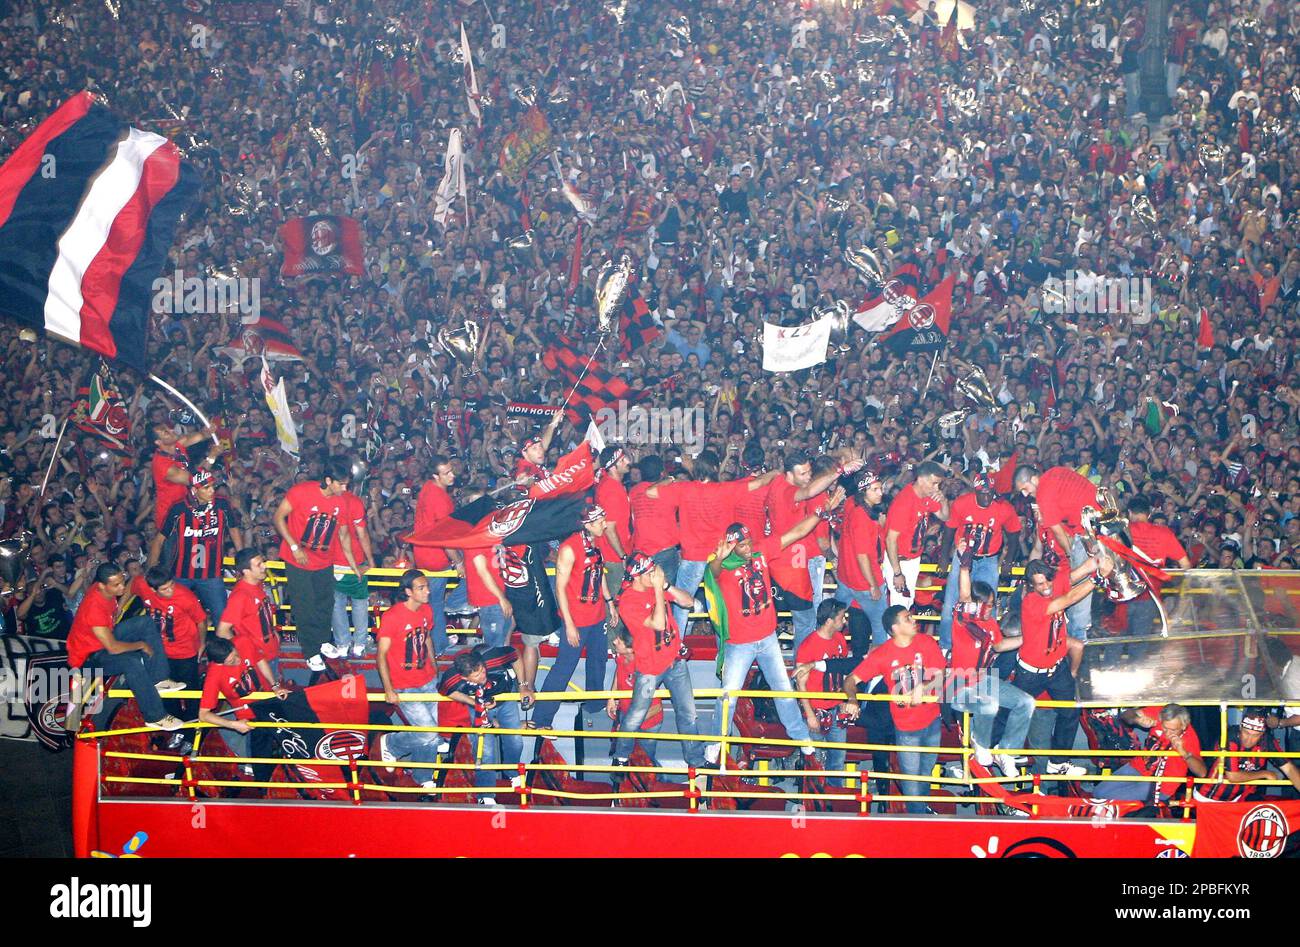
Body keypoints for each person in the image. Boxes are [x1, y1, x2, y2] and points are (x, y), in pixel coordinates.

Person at [708, 488, 845, 766]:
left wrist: (821, 511)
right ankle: (715, 745)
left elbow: (795, 533)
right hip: (740, 643)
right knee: (728, 697)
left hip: (767, 638)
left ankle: (803, 742)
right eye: (742, 545)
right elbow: (712, 573)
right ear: (732, 547)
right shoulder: (724, 567)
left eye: (748, 542)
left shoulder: (759, 553)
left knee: (784, 692)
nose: (747, 548)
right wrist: (721, 557)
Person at [653, 450, 777, 638]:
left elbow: (651, 492)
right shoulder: (726, 490)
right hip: (719, 558)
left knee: (680, 606)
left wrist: (671, 479)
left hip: (692, 558)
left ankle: (675, 647)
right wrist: (775, 472)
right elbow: (759, 482)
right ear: (715, 468)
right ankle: (724, 649)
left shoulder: (683, 489)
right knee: (722, 608)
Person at [1013, 555, 1115, 778]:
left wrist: (1096, 560)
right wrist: (1098, 578)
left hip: (1056, 667)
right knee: (1012, 710)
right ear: (1031, 586)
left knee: (1070, 711)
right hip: (1032, 672)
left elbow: (1070, 576)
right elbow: (1069, 598)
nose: (1047, 586)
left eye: (1048, 581)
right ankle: (995, 749)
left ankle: (1058, 761)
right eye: (1040, 584)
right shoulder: (1031, 602)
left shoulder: (1049, 585)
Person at [841, 606, 946, 814]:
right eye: (908, 618)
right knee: (911, 781)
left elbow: (942, 674)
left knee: (924, 776)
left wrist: (923, 687)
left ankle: (921, 812)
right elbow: (851, 680)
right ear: (895, 628)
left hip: (933, 721)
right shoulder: (883, 654)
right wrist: (852, 699)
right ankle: (919, 822)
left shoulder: (926, 642)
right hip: (907, 729)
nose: (914, 619)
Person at [946, 540, 1035, 780]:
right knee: (990, 706)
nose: (993, 607)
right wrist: (964, 564)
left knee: (1026, 702)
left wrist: (1029, 639)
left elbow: (999, 645)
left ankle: (1006, 751)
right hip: (958, 685)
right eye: (990, 603)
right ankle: (979, 741)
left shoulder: (991, 623)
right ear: (978, 604)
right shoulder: (962, 618)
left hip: (984, 681)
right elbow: (965, 593)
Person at [612, 552, 709, 771]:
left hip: (674, 659)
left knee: (688, 713)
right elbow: (658, 623)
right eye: (650, 573)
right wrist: (657, 590)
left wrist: (665, 586)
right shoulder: (628, 601)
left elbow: (687, 602)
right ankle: (620, 757)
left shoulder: (657, 585)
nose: (655, 574)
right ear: (637, 576)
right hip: (650, 667)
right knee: (635, 715)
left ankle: (696, 760)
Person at [66, 563, 185, 731]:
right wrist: (141, 645)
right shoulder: (94, 608)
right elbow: (113, 648)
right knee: (131, 662)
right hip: (90, 657)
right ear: (102, 586)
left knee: (145, 622)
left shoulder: (103, 587)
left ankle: (159, 679)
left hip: (105, 638)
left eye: (122, 581)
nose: (122, 587)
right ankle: (155, 716)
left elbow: (131, 583)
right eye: (116, 585)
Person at [765, 450, 863, 653]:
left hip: (786, 559)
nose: (808, 477)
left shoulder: (777, 480)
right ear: (790, 474)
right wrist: (841, 470)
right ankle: (805, 661)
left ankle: (802, 660)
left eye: (810, 471)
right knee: (807, 619)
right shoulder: (789, 491)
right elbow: (808, 493)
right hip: (791, 564)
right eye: (803, 474)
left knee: (800, 617)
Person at [273, 456, 363, 671]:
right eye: (341, 483)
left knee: (325, 603)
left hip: (325, 560)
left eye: (347, 483)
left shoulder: (341, 502)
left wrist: (353, 565)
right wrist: (295, 547)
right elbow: (278, 518)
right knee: (305, 607)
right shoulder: (301, 491)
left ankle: (323, 640)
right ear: (328, 480)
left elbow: (344, 537)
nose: (345, 487)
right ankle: (310, 651)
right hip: (298, 560)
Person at [531, 504, 615, 734]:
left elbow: (599, 573)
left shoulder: (595, 542)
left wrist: (610, 603)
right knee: (564, 668)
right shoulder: (569, 548)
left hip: (597, 615)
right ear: (587, 525)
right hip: (577, 618)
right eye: (600, 522)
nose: (605, 525)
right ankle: (541, 718)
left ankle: (595, 704)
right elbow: (559, 589)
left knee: (598, 661)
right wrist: (568, 624)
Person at [936, 471, 1022, 652]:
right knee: (952, 603)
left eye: (990, 492)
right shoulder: (962, 503)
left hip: (989, 559)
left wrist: (1008, 560)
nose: (986, 497)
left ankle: (987, 645)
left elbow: (1014, 535)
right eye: (982, 493)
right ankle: (945, 646)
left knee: (987, 605)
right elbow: (949, 531)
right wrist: (944, 558)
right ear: (975, 491)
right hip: (963, 558)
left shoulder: (1003, 507)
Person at [1014, 464, 1100, 642]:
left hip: (1085, 535)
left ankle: (1078, 638)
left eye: (1025, 488)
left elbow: (1058, 531)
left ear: (1034, 479)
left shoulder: (1044, 495)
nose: (1025, 494)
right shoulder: (1055, 472)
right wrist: (1027, 578)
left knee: (1077, 601)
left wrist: (1071, 554)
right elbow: (1037, 550)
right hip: (1096, 525)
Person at [376, 569, 443, 787]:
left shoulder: (427, 611)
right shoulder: (392, 616)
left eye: (427, 586)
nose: (427, 591)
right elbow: (381, 655)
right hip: (404, 685)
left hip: (427, 679)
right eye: (421, 588)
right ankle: (392, 743)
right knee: (428, 733)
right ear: (408, 592)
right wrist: (388, 689)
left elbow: (427, 637)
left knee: (431, 734)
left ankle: (423, 778)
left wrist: (434, 664)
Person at [149, 469, 243, 624]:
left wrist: (241, 560)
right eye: (206, 488)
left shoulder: (222, 504)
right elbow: (159, 540)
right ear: (194, 490)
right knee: (175, 616)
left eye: (212, 486)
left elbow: (234, 529)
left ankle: (223, 647)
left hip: (211, 574)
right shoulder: (179, 508)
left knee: (223, 618)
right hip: (181, 574)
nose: (212, 490)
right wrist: (152, 572)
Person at [438, 646, 527, 804]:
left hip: (505, 697)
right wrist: (473, 703)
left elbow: (517, 655)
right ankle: (485, 796)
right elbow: (447, 691)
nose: (482, 677)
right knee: (485, 750)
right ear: (464, 679)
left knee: (515, 741)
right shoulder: (452, 678)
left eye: (483, 672)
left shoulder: (495, 657)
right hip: (479, 704)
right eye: (476, 676)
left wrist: (523, 686)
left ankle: (512, 772)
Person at [1119, 494, 1192, 660]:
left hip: (1121, 599)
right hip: (1149, 598)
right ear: (1149, 514)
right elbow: (1186, 565)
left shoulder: (1121, 531)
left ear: (1129, 513)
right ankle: (1135, 681)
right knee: (1139, 647)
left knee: (1114, 644)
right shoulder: (1164, 533)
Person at [130, 564, 207, 718]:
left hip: (185, 649)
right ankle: (176, 724)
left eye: (171, 585)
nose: (170, 590)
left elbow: (201, 621)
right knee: (166, 691)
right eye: (165, 589)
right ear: (153, 589)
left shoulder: (185, 596)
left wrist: (202, 643)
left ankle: (192, 730)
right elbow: (132, 584)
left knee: (190, 691)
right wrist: (119, 607)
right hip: (160, 651)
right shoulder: (142, 585)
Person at [793, 600, 854, 785]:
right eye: (842, 616)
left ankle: (834, 799)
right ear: (830, 621)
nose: (845, 620)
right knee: (814, 761)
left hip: (836, 709)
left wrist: (845, 698)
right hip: (816, 710)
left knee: (838, 758)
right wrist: (810, 715)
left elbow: (844, 672)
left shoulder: (840, 639)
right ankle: (813, 801)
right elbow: (800, 685)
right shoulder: (808, 645)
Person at [1095, 703, 1207, 804]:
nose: (1167, 733)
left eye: (1173, 730)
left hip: (1162, 784)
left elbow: (1202, 773)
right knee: (1098, 792)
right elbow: (1126, 715)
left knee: (1107, 798)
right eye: (1164, 727)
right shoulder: (1159, 712)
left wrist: (1184, 753)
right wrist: (1137, 719)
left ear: (1183, 726)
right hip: (1138, 767)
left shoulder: (1190, 738)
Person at [412, 455, 469, 655]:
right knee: (437, 602)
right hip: (436, 556)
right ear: (436, 476)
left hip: (423, 550)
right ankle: (455, 604)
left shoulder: (428, 487)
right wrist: (458, 563)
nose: (452, 475)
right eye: (447, 473)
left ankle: (439, 642)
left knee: (433, 603)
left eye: (451, 470)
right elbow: (445, 539)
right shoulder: (440, 499)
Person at [197, 635, 286, 761]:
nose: (238, 660)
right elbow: (203, 715)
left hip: (267, 697)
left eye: (236, 654)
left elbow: (259, 660)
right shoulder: (214, 676)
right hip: (250, 714)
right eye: (231, 661)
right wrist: (233, 725)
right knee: (260, 751)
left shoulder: (243, 641)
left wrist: (275, 686)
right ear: (219, 663)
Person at [835, 471, 889, 653]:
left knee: (836, 617)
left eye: (880, 488)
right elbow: (863, 556)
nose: (880, 492)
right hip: (863, 582)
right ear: (863, 492)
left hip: (846, 577)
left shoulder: (854, 506)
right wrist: (873, 584)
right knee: (881, 625)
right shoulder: (862, 517)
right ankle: (879, 668)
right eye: (875, 489)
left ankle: (834, 652)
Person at [215, 549, 283, 693]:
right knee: (269, 697)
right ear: (246, 571)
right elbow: (222, 631)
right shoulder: (240, 596)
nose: (264, 566)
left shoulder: (256, 584)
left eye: (263, 562)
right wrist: (245, 649)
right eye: (259, 564)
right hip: (260, 659)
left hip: (271, 651)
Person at [884, 461, 950, 609]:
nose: (936, 488)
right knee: (899, 606)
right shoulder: (905, 501)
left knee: (907, 602)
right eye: (934, 483)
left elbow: (945, 516)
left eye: (938, 484)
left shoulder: (926, 497)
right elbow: (890, 540)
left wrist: (944, 500)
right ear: (921, 479)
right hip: (899, 559)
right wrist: (897, 573)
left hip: (913, 558)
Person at [323, 475, 375, 660]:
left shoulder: (324, 499)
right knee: (360, 602)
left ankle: (343, 644)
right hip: (353, 560)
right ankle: (359, 644)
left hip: (329, 560)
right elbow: (363, 535)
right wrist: (370, 560)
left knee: (336, 604)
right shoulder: (354, 502)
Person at [1196, 713, 1300, 802]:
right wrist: (1265, 773)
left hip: (1237, 799)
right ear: (1240, 728)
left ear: (1262, 734)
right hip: (1208, 797)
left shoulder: (1267, 741)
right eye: (1246, 733)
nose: (1249, 739)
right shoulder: (1229, 737)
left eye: (1256, 735)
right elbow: (1233, 776)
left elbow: (1289, 768)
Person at [606, 623, 663, 764]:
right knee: (628, 760)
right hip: (628, 718)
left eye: (620, 641)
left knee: (645, 763)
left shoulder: (646, 670)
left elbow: (656, 708)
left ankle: (662, 782)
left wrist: (627, 726)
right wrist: (612, 697)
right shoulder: (621, 655)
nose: (614, 641)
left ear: (631, 649)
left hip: (648, 724)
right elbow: (619, 672)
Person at [150, 422, 218, 531]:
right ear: (158, 442)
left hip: (187, 509)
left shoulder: (175, 446)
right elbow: (196, 479)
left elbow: (190, 438)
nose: (172, 430)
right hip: (171, 519)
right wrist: (212, 456)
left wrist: (206, 432)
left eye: (169, 428)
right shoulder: (162, 465)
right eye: (166, 432)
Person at [628, 454, 681, 579]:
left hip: (641, 551)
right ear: (662, 473)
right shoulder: (669, 490)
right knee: (666, 592)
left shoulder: (633, 491)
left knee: (646, 594)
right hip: (665, 549)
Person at [594, 446, 633, 593]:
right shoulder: (612, 489)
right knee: (614, 601)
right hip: (613, 557)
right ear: (612, 466)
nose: (628, 461)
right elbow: (609, 529)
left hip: (612, 553)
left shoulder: (611, 484)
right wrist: (622, 556)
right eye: (623, 460)